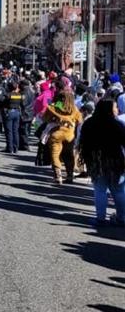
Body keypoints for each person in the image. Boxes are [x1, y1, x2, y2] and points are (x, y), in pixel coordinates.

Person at [77, 99, 125, 227]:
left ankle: (100, 218)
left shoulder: (89, 123)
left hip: (96, 161)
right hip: (115, 161)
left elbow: (82, 143)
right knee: (119, 191)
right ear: (109, 109)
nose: (117, 110)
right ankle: (122, 218)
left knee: (100, 190)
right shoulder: (117, 125)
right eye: (115, 107)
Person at [43, 88, 82, 184]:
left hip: (56, 133)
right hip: (69, 134)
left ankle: (58, 175)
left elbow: (45, 118)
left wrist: (55, 119)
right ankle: (69, 175)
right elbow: (79, 121)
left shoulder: (53, 107)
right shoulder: (74, 108)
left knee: (55, 154)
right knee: (69, 155)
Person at [0, 81, 25, 154]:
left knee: (9, 131)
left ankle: (9, 148)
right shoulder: (19, 95)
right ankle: (15, 148)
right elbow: (22, 103)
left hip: (9, 112)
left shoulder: (8, 95)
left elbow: (2, 103)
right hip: (17, 112)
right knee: (15, 131)